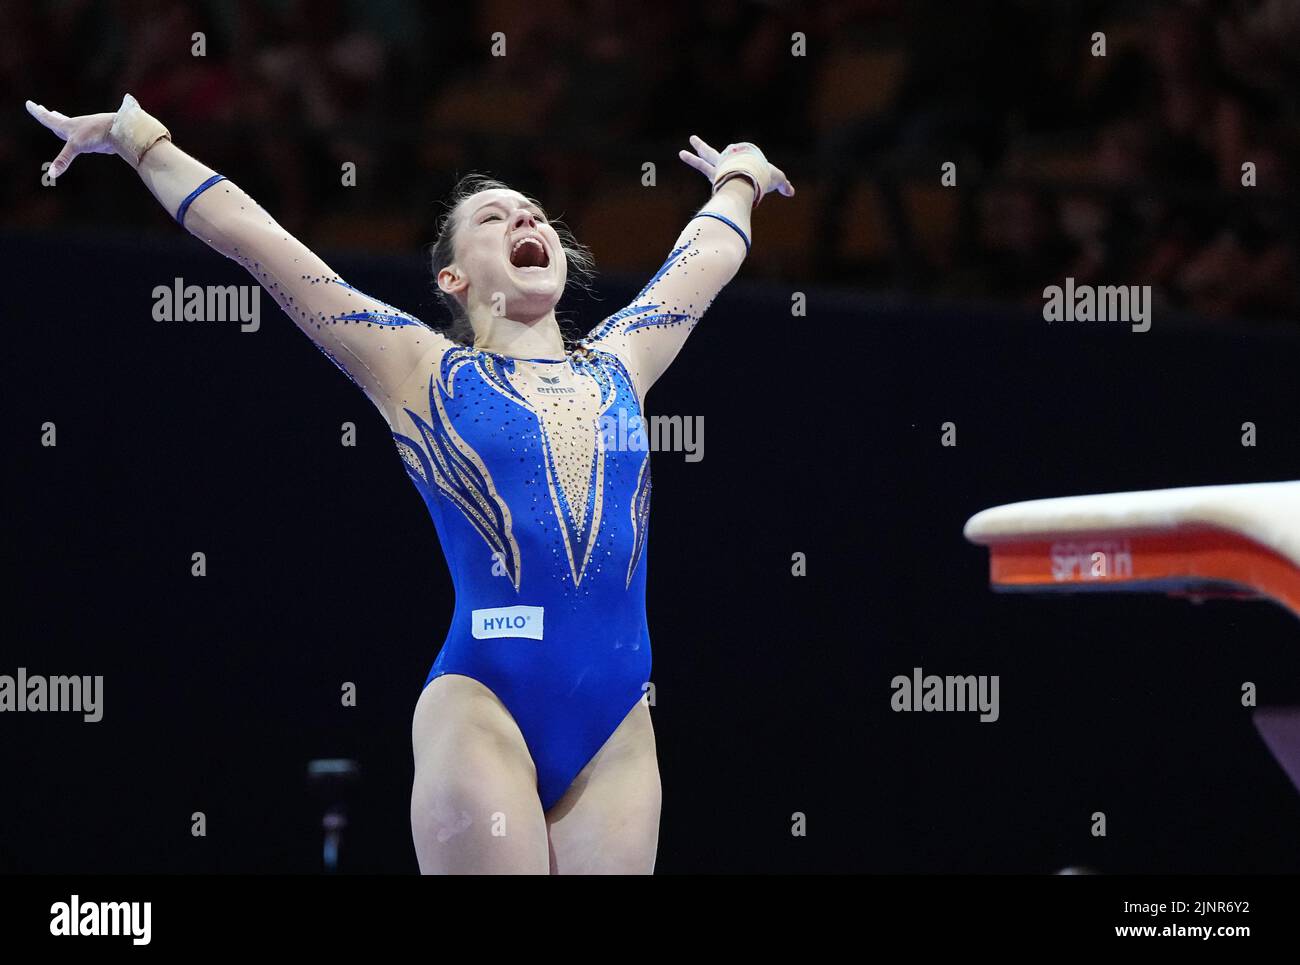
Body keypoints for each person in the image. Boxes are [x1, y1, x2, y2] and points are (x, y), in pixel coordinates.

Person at [26, 93, 794, 874]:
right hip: (484, 706)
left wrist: (740, 173)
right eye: (495, 220)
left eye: (533, 215)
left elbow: (705, 259)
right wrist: (137, 138)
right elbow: (262, 244)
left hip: (620, 722)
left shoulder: (622, 361)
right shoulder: (421, 370)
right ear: (455, 277)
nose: (526, 222)